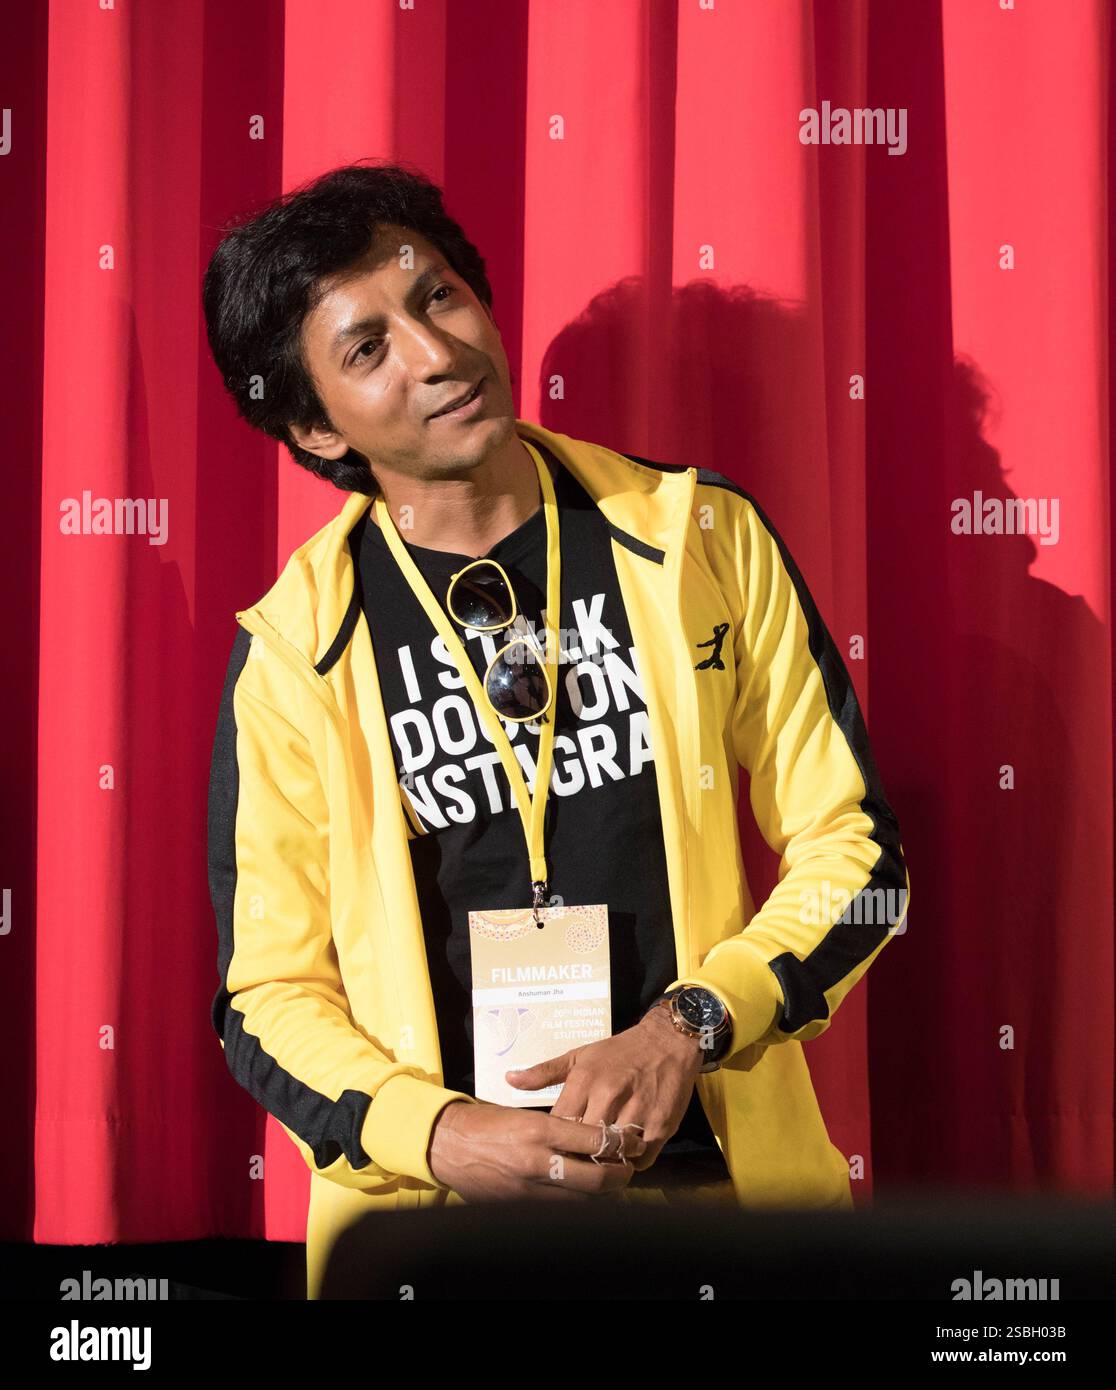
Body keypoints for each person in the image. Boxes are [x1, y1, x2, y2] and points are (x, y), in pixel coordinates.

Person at [203, 160, 911, 1299]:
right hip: (439, 1234)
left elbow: (861, 855)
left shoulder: (698, 537)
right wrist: (438, 1133)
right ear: (312, 423)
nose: (435, 354)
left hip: (722, 1208)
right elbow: (265, 998)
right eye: (366, 348)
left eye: (436, 296)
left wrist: (692, 1024)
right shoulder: (294, 651)